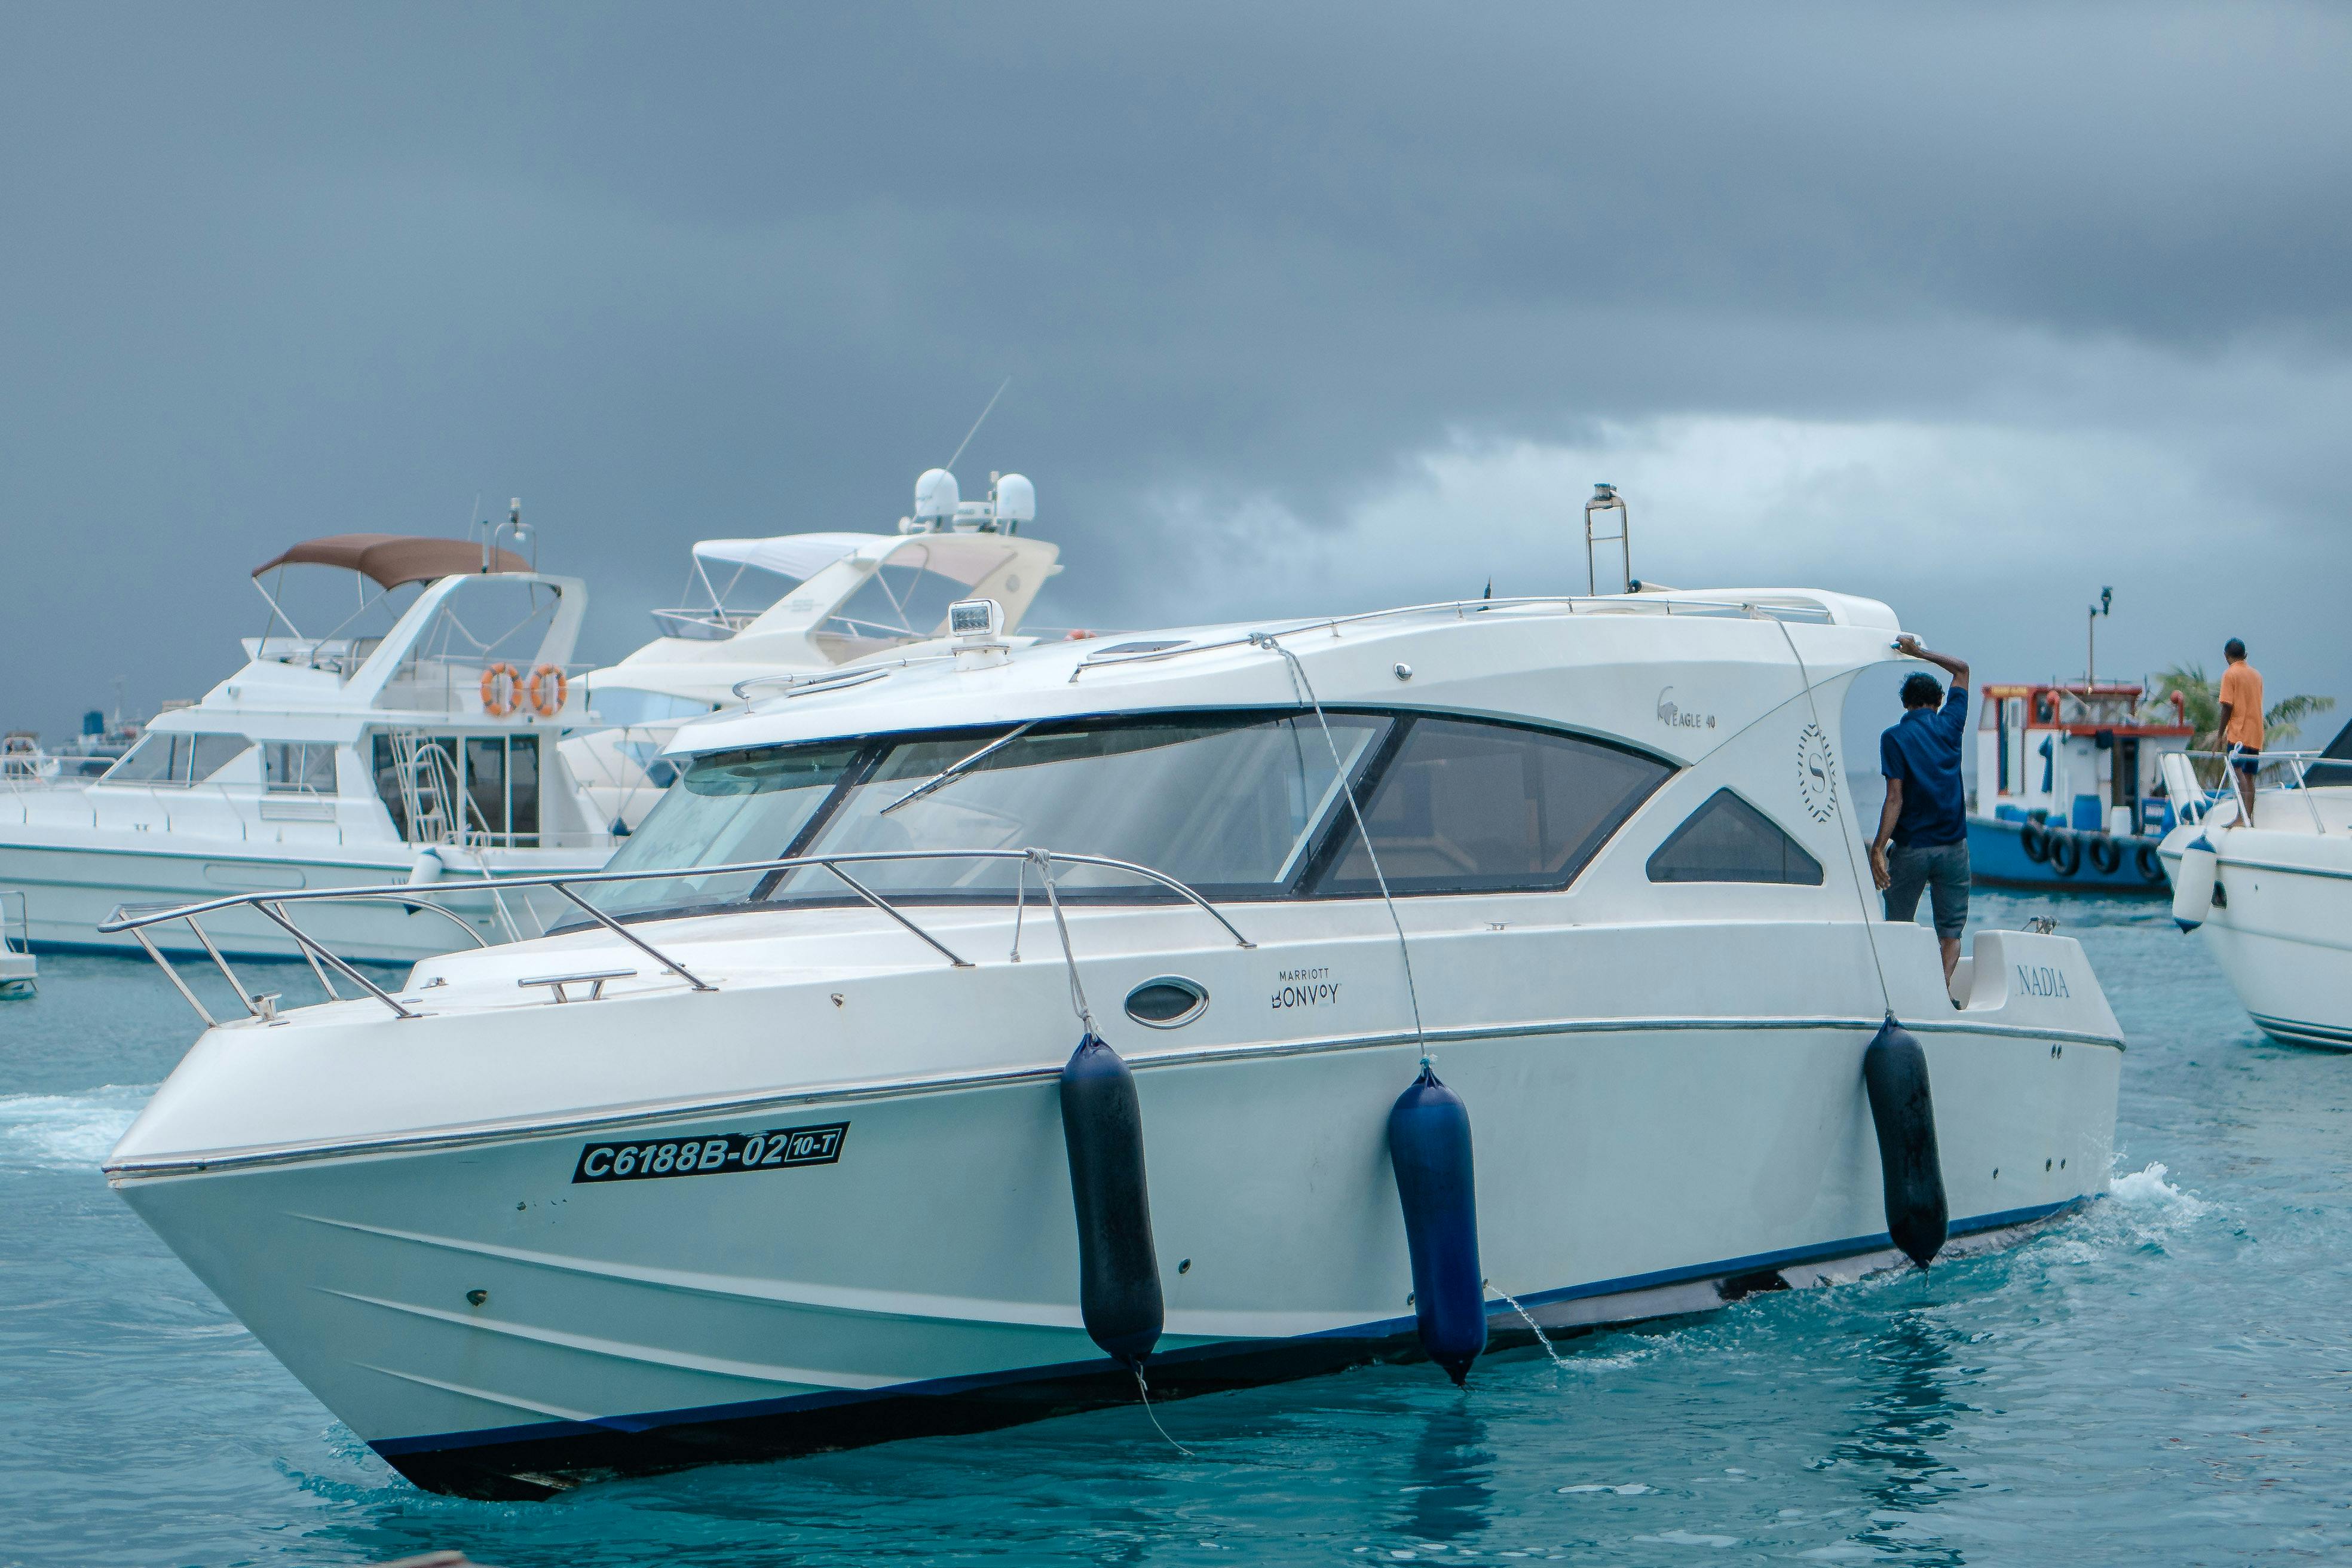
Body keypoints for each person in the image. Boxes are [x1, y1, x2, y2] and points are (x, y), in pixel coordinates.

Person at [1870, 635, 1971, 985]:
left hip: (1912, 849)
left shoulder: (1894, 738)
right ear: (1940, 701)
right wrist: (1919, 653)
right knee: (1950, 934)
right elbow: (1961, 669)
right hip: (1954, 848)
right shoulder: (1950, 725)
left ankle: (1902, 998)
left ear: (1905, 704)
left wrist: (1878, 847)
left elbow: (1894, 798)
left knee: (1898, 929)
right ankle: (1939, 999)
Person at [2215, 637, 2264, 825]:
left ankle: (2242, 817)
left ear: (2226, 656)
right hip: (2256, 733)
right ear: (2246, 655)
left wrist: (2220, 735)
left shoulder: (2230, 674)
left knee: (2238, 772)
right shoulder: (2256, 675)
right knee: (2249, 776)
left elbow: (2227, 706)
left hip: (2239, 734)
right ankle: (2247, 817)